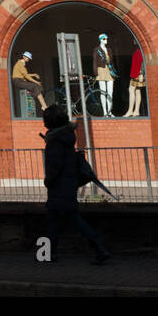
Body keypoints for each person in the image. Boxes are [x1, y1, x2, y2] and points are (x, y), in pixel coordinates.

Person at [40, 104, 110, 265]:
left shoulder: (55, 142)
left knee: (57, 220)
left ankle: (49, 254)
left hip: (58, 186)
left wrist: (48, 181)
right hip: (69, 183)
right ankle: (98, 249)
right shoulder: (67, 138)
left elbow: (54, 167)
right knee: (69, 218)